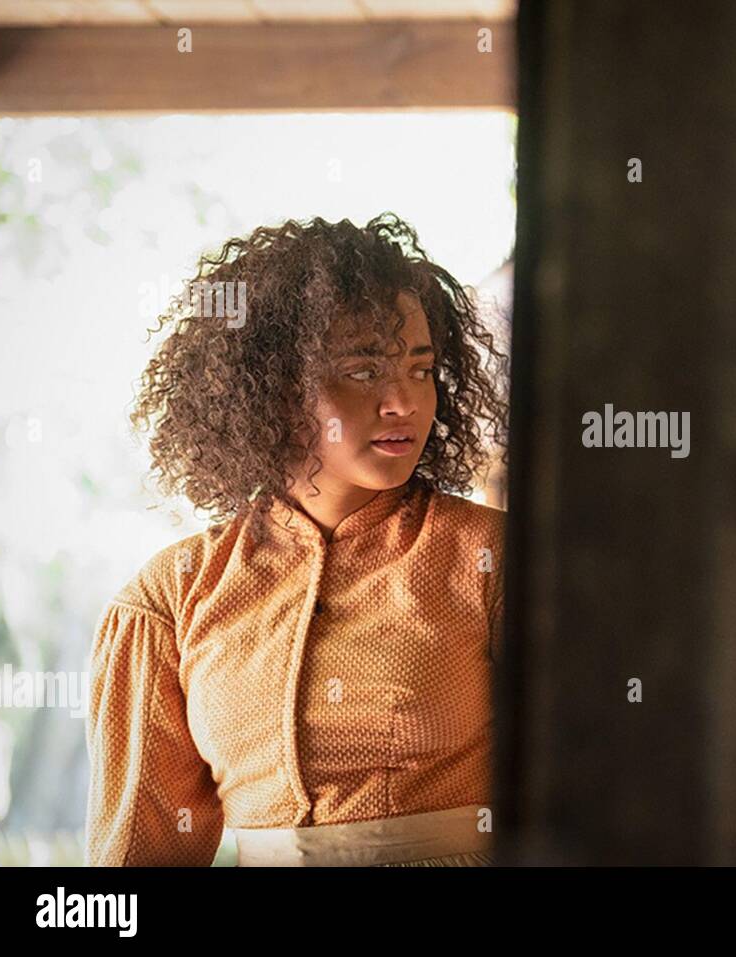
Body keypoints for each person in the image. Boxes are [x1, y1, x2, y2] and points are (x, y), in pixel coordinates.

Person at [85, 213, 509, 866]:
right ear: (273, 386)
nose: (402, 401)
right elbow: (138, 861)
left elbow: (598, 790)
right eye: (364, 371)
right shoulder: (170, 598)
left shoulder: (494, 559)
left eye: (421, 370)